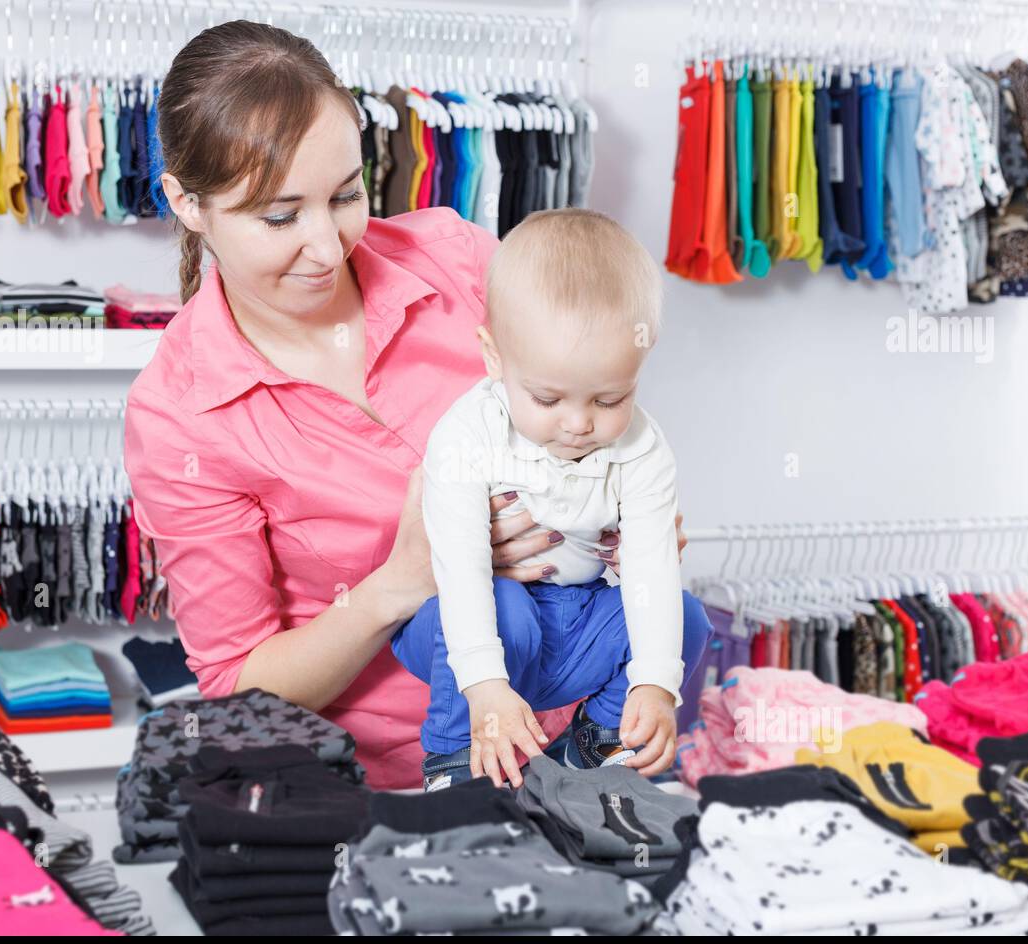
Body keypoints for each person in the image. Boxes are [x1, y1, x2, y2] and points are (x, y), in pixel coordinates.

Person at [123, 21, 686, 789]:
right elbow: (239, 686)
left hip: (586, 748)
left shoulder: (457, 259)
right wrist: (405, 578)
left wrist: (625, 522)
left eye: (346, 195)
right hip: (387, 792)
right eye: (281, 217)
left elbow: (587, 391)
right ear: (187, 203)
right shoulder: (179, 414)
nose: (327, 246)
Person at [391, 209, 712, 791]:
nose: (578, 424)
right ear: (495, 359)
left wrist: (657, 684)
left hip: (578, 619)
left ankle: (595, 743)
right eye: (547, 397)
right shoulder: (466, 434)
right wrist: (486, 683)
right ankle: (454, 760)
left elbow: (650, 570)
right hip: (468, 626)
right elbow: (460, 570)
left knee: (683, 615)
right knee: (506, 605)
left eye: (610, 399)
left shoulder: (643, 447)